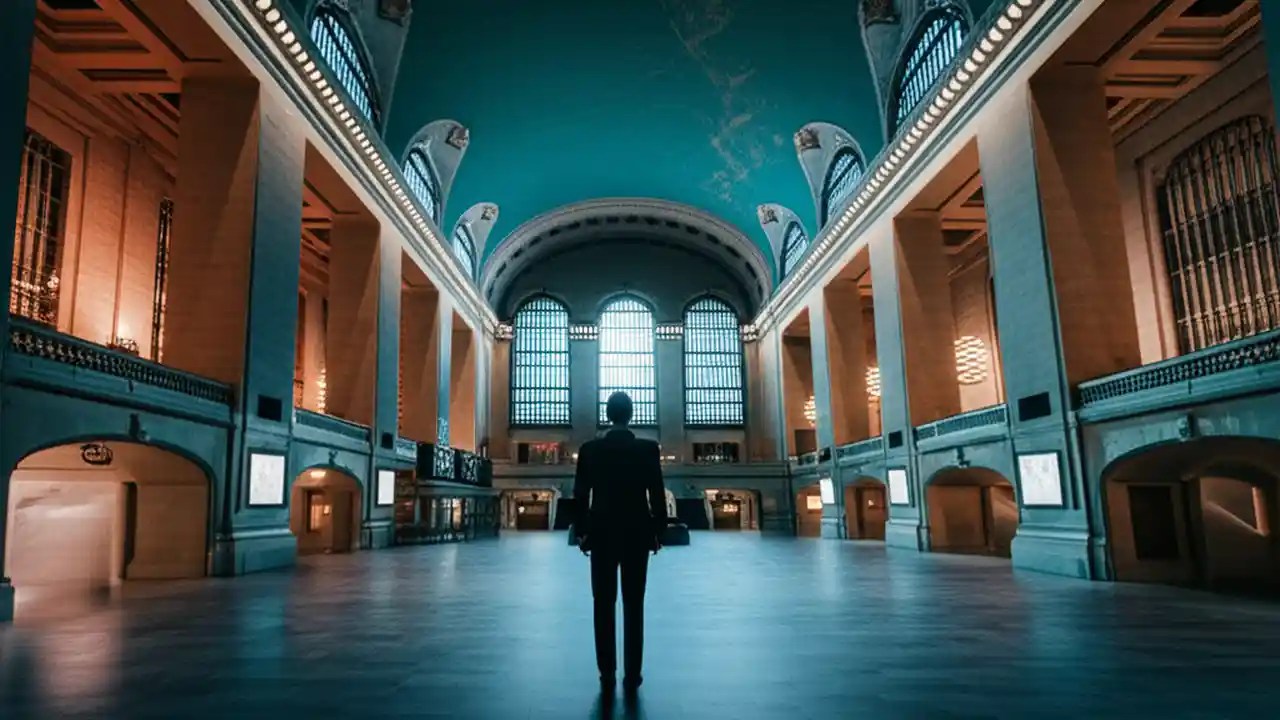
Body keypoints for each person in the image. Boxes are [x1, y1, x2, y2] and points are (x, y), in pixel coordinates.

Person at [573, 391, 667, 695]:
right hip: (637, 533)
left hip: (601, 533)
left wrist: (583, 532)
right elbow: (656, 493)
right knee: (634, 604)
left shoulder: (590, 450)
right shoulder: (648, 450)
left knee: (603, 604)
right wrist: (658, 532)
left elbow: (579, 495)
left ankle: (606, 672)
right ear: (631, 415)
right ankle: (633, 672)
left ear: (608, 414)